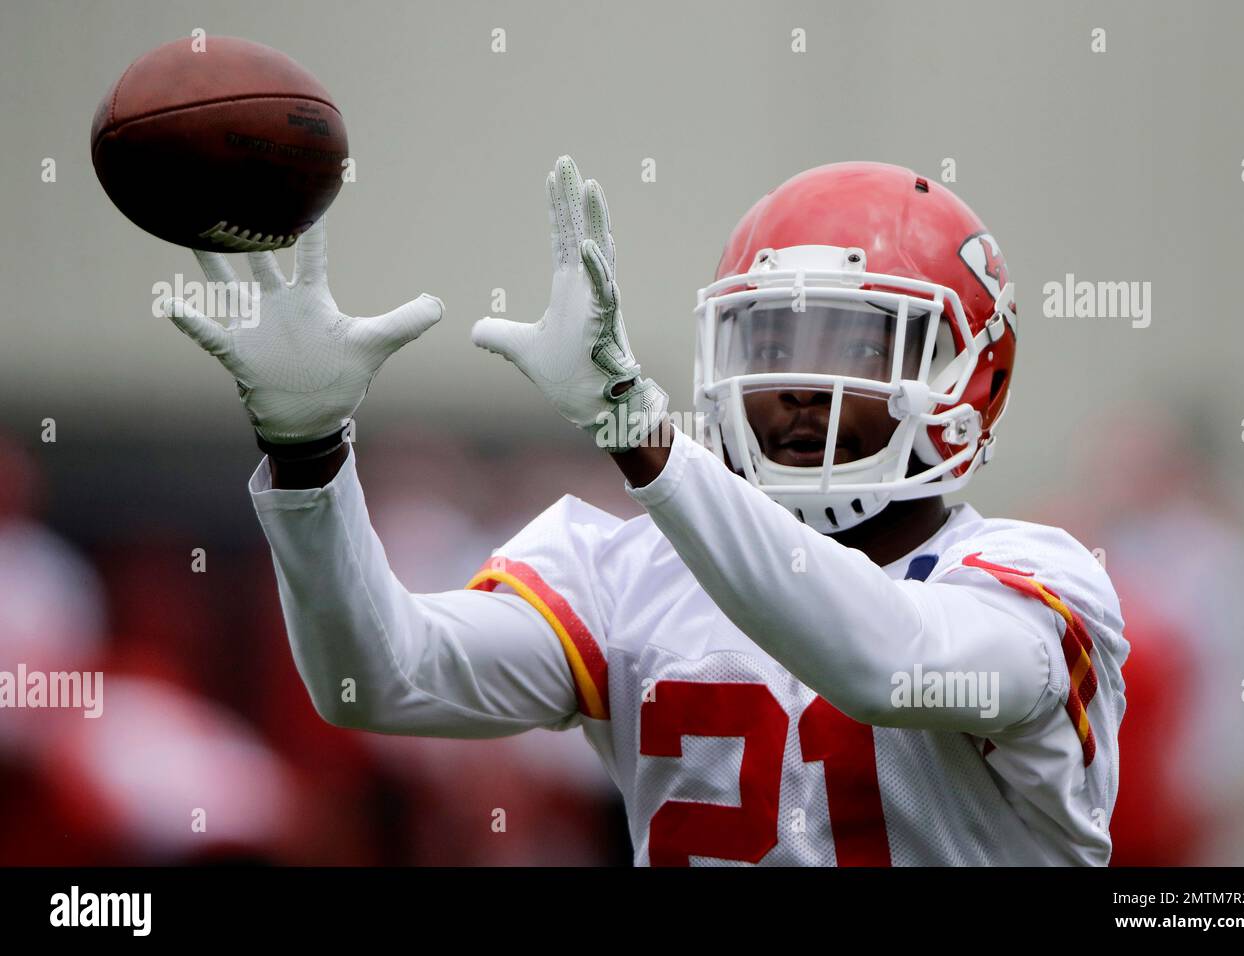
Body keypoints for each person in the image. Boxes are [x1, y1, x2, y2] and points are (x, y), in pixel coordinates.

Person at [164, 156, 1128, 866]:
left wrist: (643, 439)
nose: (800, 382)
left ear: (971, 375)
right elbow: (376, 678)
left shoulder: (1036, 588)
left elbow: (889, 666)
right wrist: (308, 455)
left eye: (856, 343)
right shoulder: (626, 574)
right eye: (771, 338)